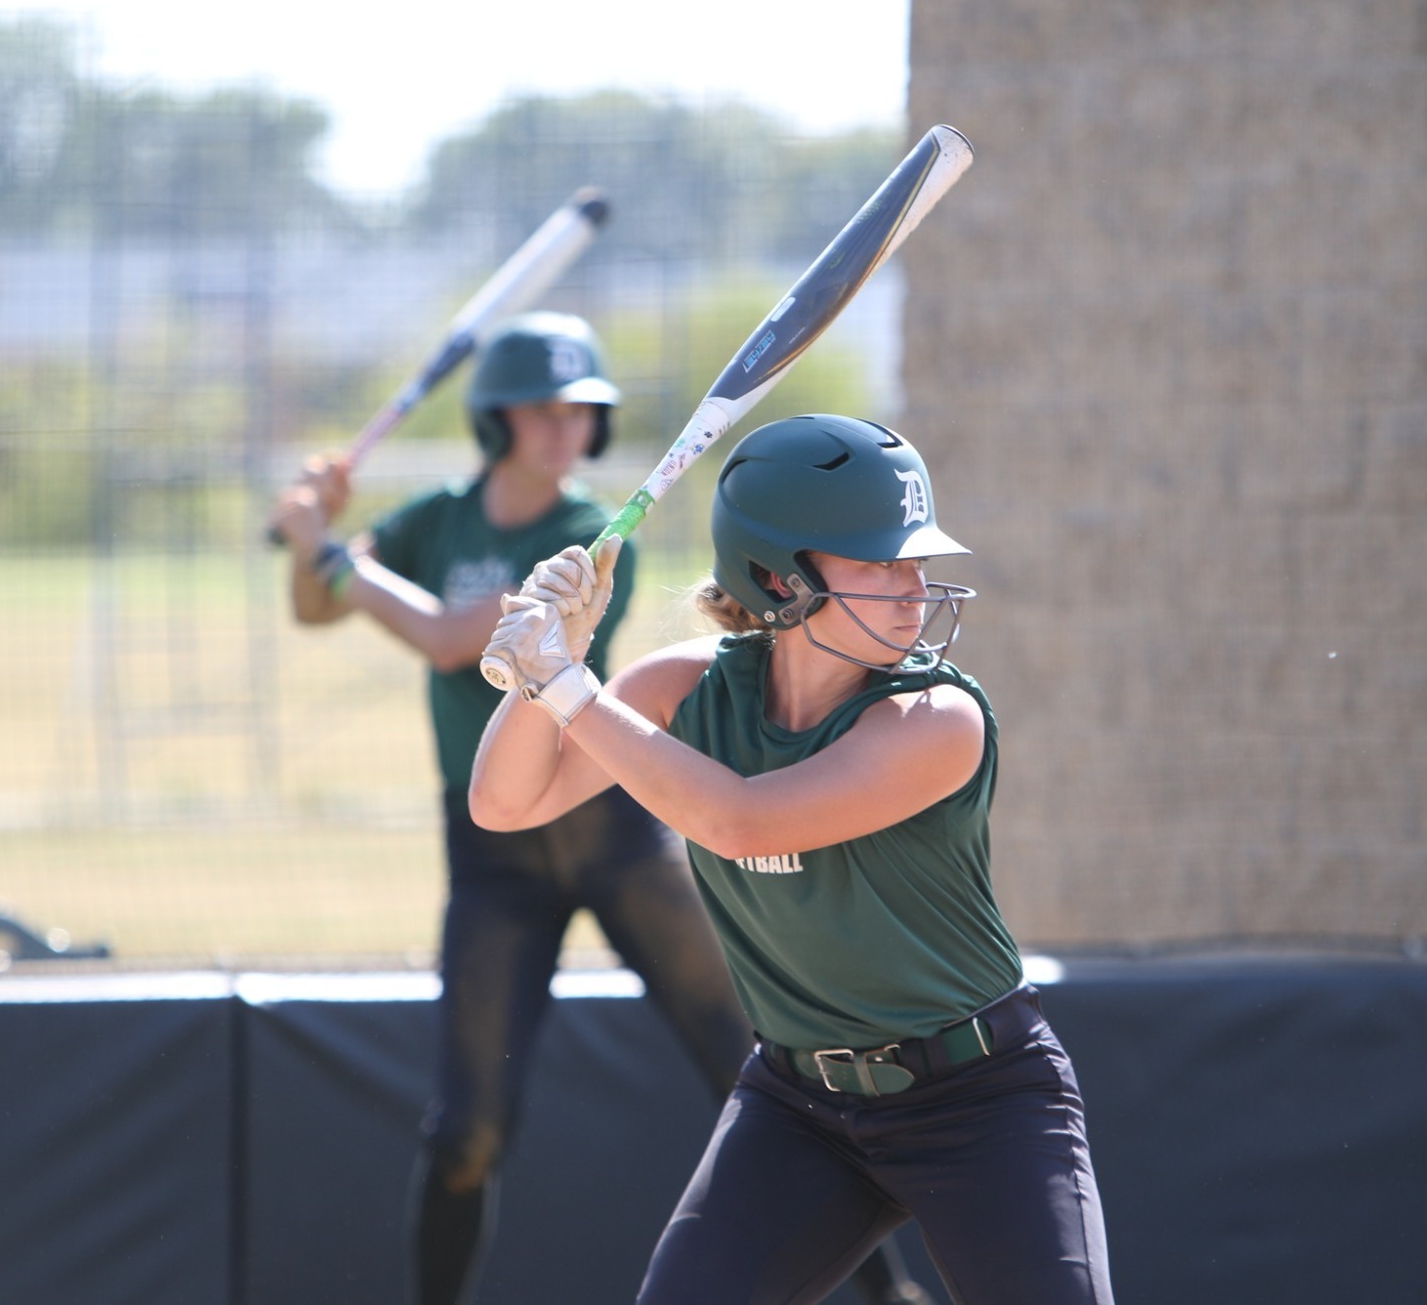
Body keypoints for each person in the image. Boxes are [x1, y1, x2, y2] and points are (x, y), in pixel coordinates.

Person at [268, 322, 931, 1305]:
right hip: (490, 854)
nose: (561, 428)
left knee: (751, 1067)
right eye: (541, 409)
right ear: (496, 419)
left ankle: (890, 1294)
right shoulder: (435, 519)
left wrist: (329, 551)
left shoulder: (577, 531)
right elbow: (315, 607)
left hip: (611, 835)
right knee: (467, 1131)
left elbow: (456, 638)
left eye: (579, 410)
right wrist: (314, 536)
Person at [469, 412, 1114, 1304]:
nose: (914, 585)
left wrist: (568, 686)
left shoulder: (937, 718)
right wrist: (554, 661)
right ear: (779, 578)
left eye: (917, 558)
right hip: (798, 1103)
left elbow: (743, 820)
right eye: (880, 560)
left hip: (979, 1097)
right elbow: (507, 801)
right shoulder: (688, 685)